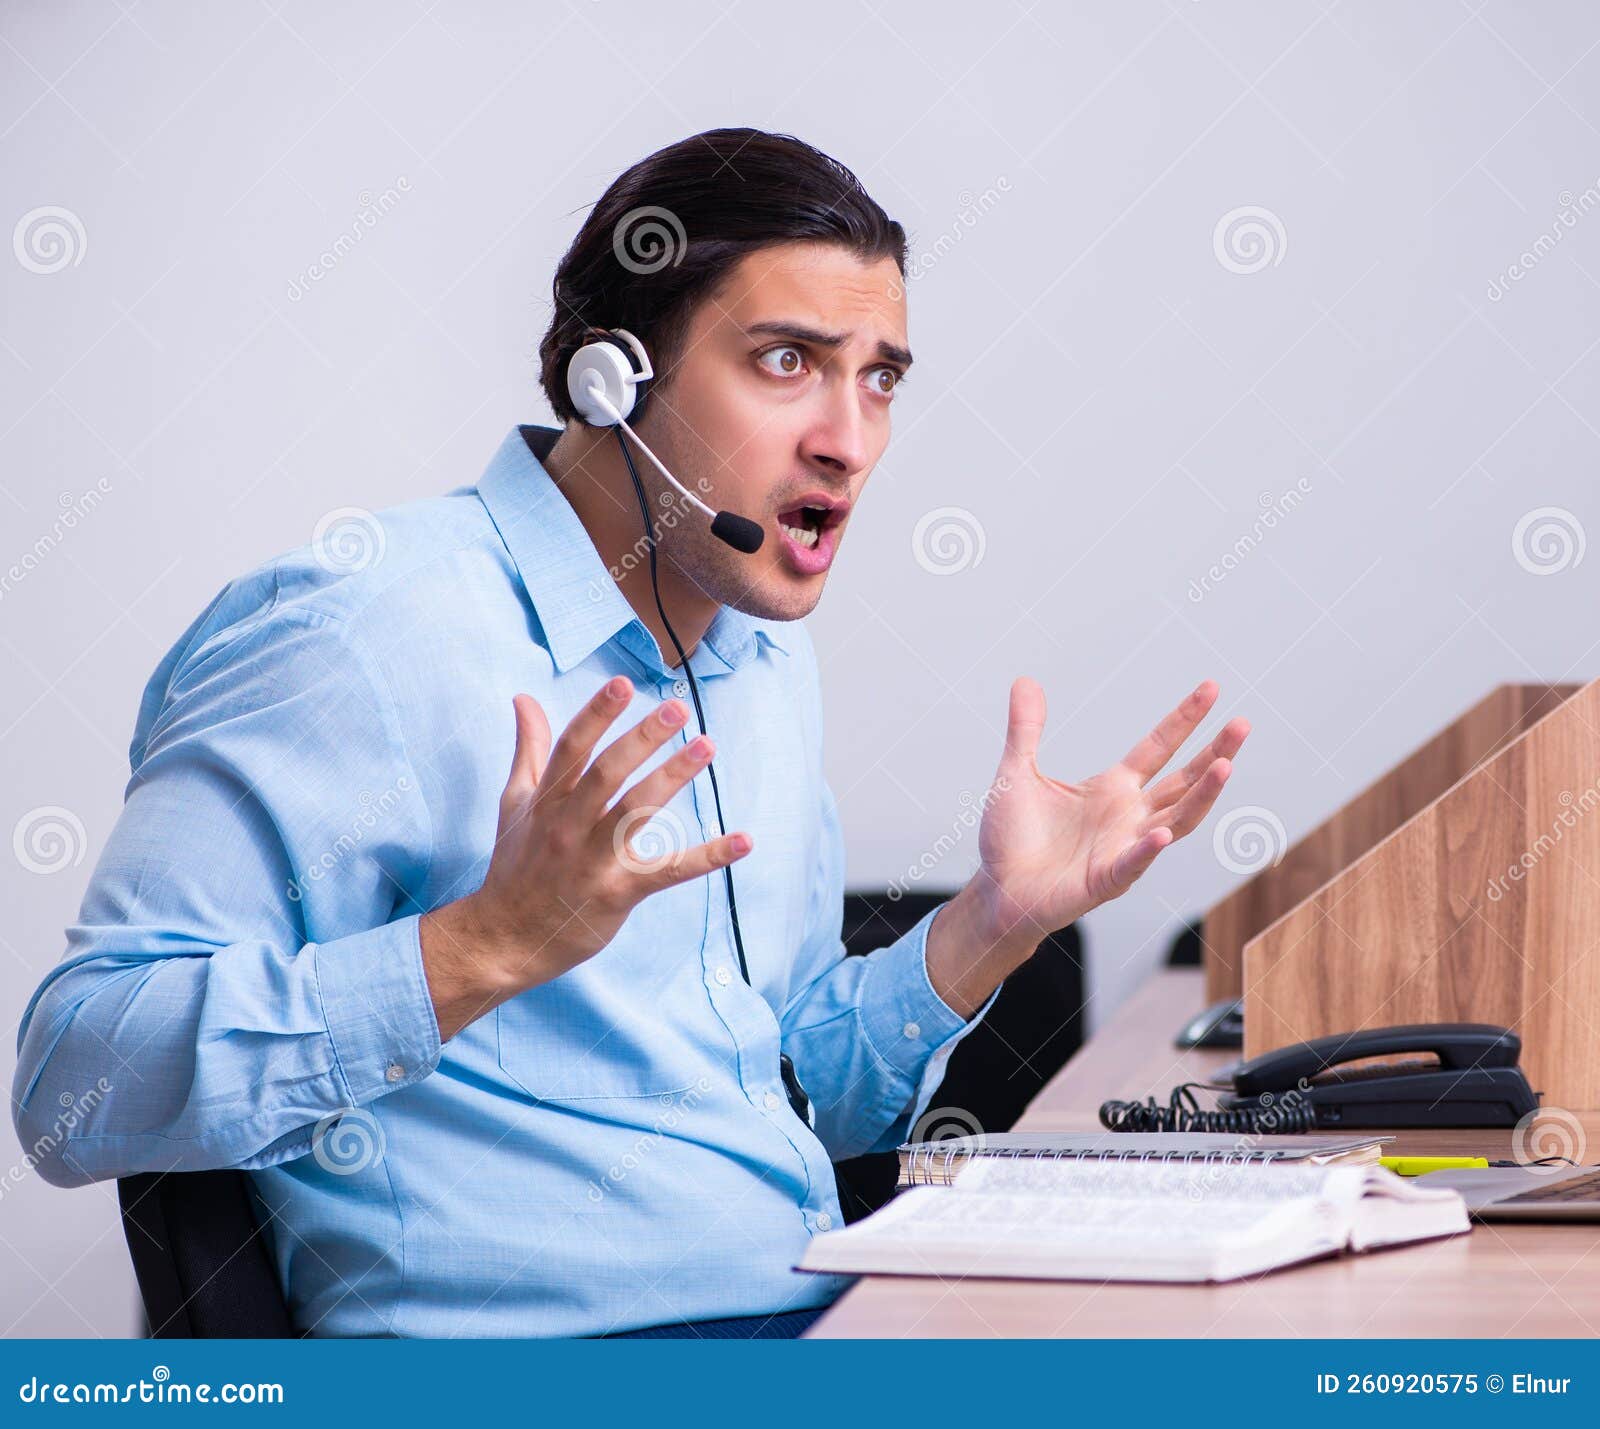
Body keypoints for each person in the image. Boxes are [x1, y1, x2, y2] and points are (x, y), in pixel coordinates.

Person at [12, 128, 1249, 1338]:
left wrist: (992, 926)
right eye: (785, 362)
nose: (850, 438)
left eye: (878, 376)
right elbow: (72, 1080)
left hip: (806, 1313)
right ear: (613, 378)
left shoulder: (756, 649)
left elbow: (785, 1094)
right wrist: (475, 951)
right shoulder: (361, 629)